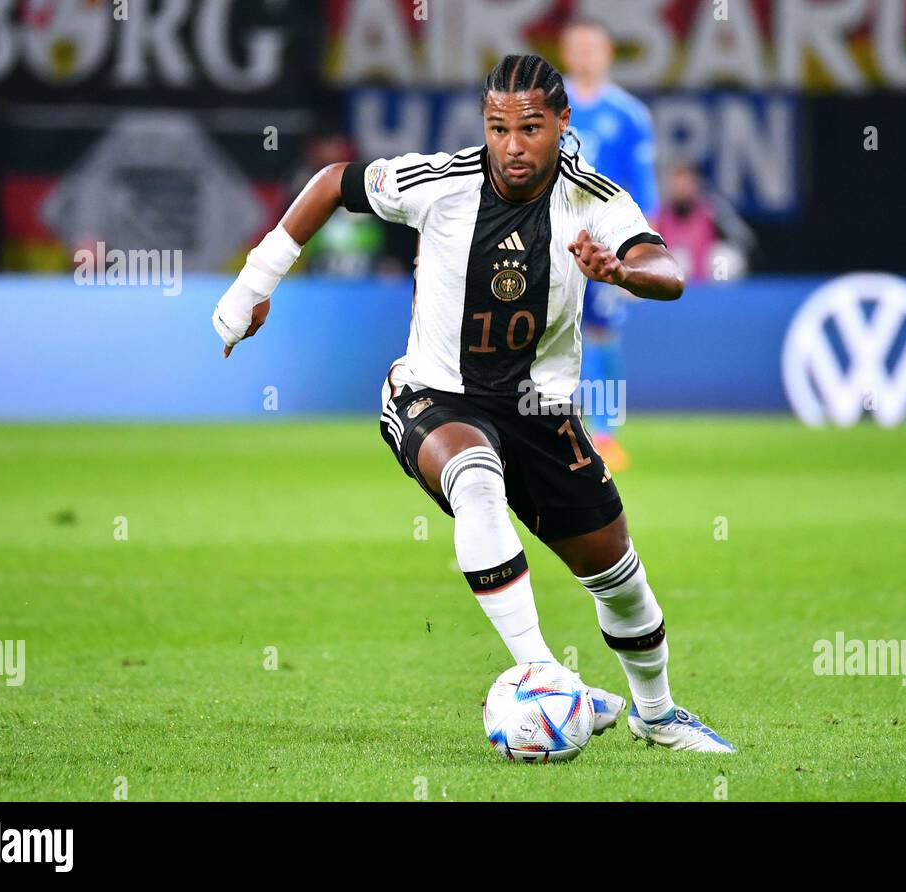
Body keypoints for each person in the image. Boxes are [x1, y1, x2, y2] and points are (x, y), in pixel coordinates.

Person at [211, 54, 734, 753]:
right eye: (497, 128)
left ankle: (659, 716)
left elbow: (666, 269)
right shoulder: (440, 183)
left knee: (617, 574)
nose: (513, 146)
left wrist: (623, 271)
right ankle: (545, 675)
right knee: (475, 479)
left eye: (530, 128)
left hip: (540, 412)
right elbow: (334, 183)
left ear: (562, 124)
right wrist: (254, 283)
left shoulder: (593, 199)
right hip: (434, 393)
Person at [558, 18, 660, 472]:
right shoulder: (545, 105)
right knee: (547, 334)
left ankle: (606, 433)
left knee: (602, 333)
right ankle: (556, 428)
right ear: (565, 52)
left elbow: (644, 189)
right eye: (577, 47)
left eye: (592, 47)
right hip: (553, 237)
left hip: (606, 244)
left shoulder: (630, 115)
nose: (585, 55)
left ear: (608, 54)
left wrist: (640, 254)